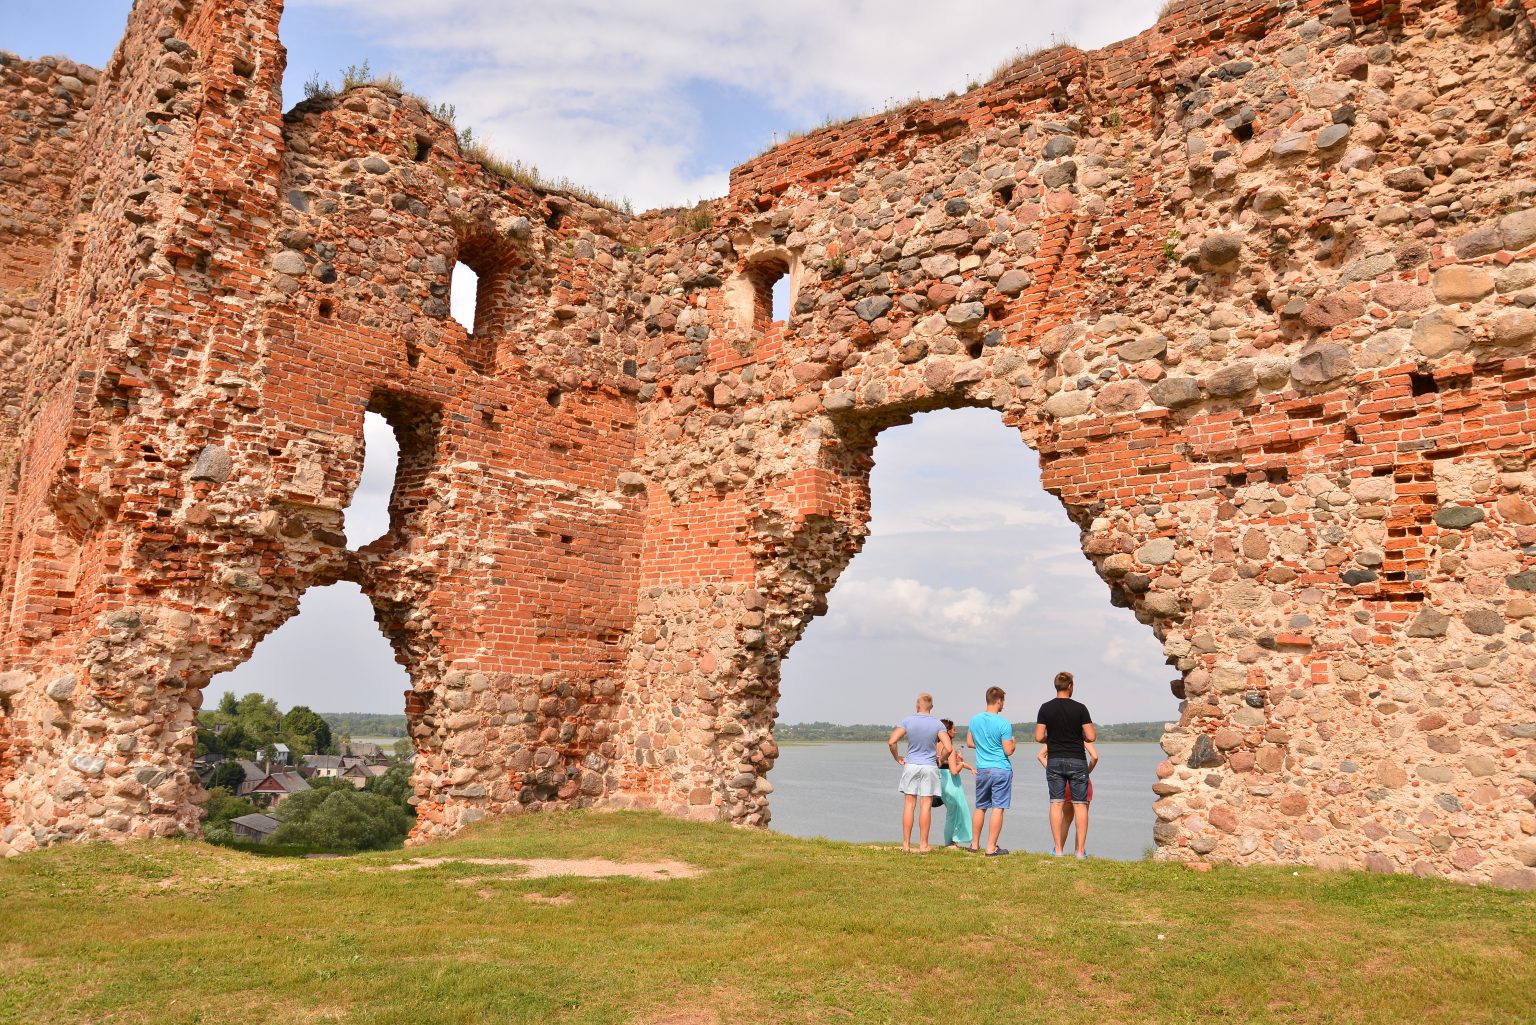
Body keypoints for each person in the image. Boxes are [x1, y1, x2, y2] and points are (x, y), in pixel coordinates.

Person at [1035, 671, 1098, 858]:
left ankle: (1058, 850)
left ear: (1056, 686)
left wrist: (1052, 739)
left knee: (1056, 804)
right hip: (1077, 760)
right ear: (1070, 686)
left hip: (1054, 760)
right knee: (1080, 805)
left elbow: (1038, 737)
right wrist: (1079, 736)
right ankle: (1079, 851)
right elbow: (1091, 736)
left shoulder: (1045, 708)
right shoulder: (1080, 708)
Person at [888, 693, 945, 853]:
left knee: (909, 804)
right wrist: (941, 760)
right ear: (931, 707)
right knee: (925, 806)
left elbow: (892, 741)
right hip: (929, 766)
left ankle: (906, 844)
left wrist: (897, 757)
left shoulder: (908, 721)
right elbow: (947, 747)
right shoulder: (938, 724)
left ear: (917, 705)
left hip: (911, 764)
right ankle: (923, 845)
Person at [966, 686, 1016, 856]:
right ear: (999, 701)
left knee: (980, 807)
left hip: (982, 769)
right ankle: (990, 847)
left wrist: (984, 745)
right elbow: (1008, 750)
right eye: (1003, 702)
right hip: (1001, 769)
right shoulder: (1003, 723)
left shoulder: (974, 720)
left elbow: (970, 743)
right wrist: (1013, 743)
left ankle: (974, 845)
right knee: (997, 808)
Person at [937, 718, 975, 849]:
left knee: (951, 813)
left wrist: (965, 765)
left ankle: (951, 841)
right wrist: (962, 764)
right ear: (947, 731)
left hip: (941, 780)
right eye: (954, 729)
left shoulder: (936, 745)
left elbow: (943, 764)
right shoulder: (950, 748)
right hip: (951, 783)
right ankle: (952, 841)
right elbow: (953, 771)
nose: (956, 732)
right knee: (957, 812)